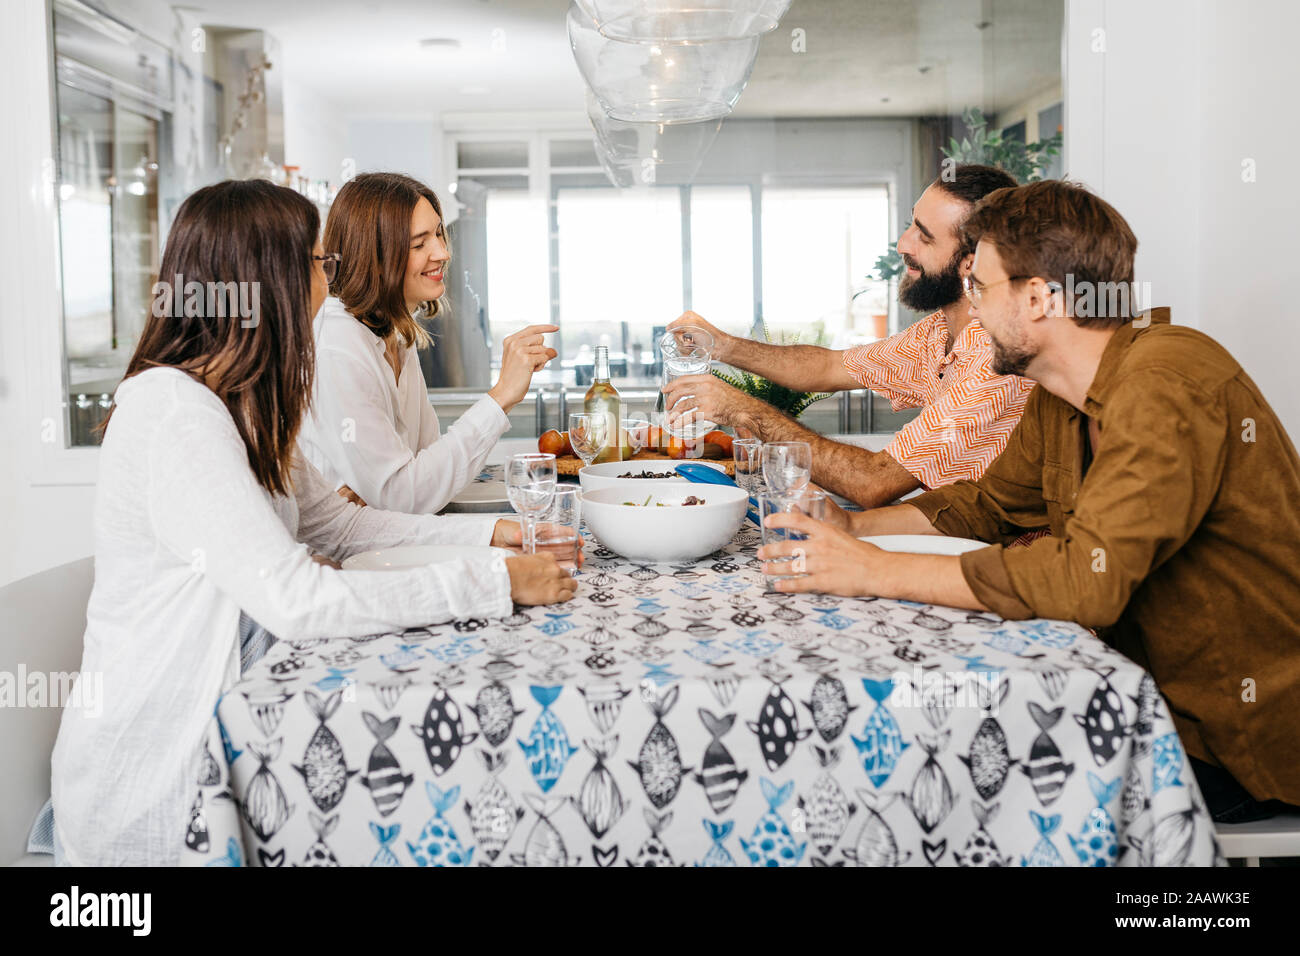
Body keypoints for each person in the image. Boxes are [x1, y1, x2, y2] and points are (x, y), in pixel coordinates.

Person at [50, 180, 575, 866]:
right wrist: (490, 585)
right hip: (165, 797)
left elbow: (342, 529)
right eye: (319, 265)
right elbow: (297, 600)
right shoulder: (177, 419)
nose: (330, 285)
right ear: (268, 284)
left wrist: (486, 537)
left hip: (238, 737)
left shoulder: (237, 406)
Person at [759, 179, 1300, 820]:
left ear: (1039, 298)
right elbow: (985, 507)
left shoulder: (1166, 386)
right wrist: (854, 529)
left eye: (981, 289)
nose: (973, 311)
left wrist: (873, 570)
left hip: (1235, 743)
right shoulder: (1059, 394)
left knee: (968, 788)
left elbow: (1086, 580)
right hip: (1149, 702)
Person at [661, 163, 1034, 509]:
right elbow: (828, 367)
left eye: (924, 236)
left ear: (973, 262)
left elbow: (873, 482)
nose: (904, 244)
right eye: (911, 225)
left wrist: (743, 408)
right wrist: (723, 344)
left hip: (998, 565)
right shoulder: (937, 333)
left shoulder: (997, 359)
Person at [297, 172, 556, 512]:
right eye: (419, 244)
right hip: (344, 558)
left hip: (392, 541)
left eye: (438, 234)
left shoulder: (395, 333)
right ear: (374, 257)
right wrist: (501, 396)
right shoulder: (338, 346)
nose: (443, 253)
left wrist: (398, 487)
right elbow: (406, 495)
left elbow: (425, 470)